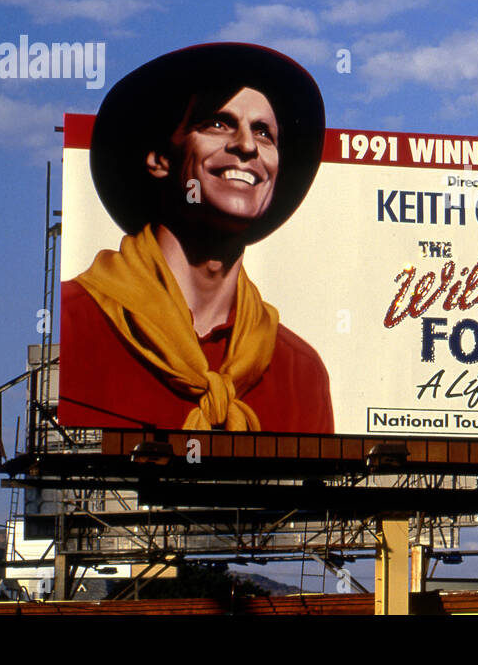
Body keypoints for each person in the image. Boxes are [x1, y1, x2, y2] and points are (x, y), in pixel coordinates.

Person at [59, 43, 333, 433]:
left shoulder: (299, 372)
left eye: (264, 132)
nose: (247, 145)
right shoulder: (76, 321)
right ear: (159, 159)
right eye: (218, 124)